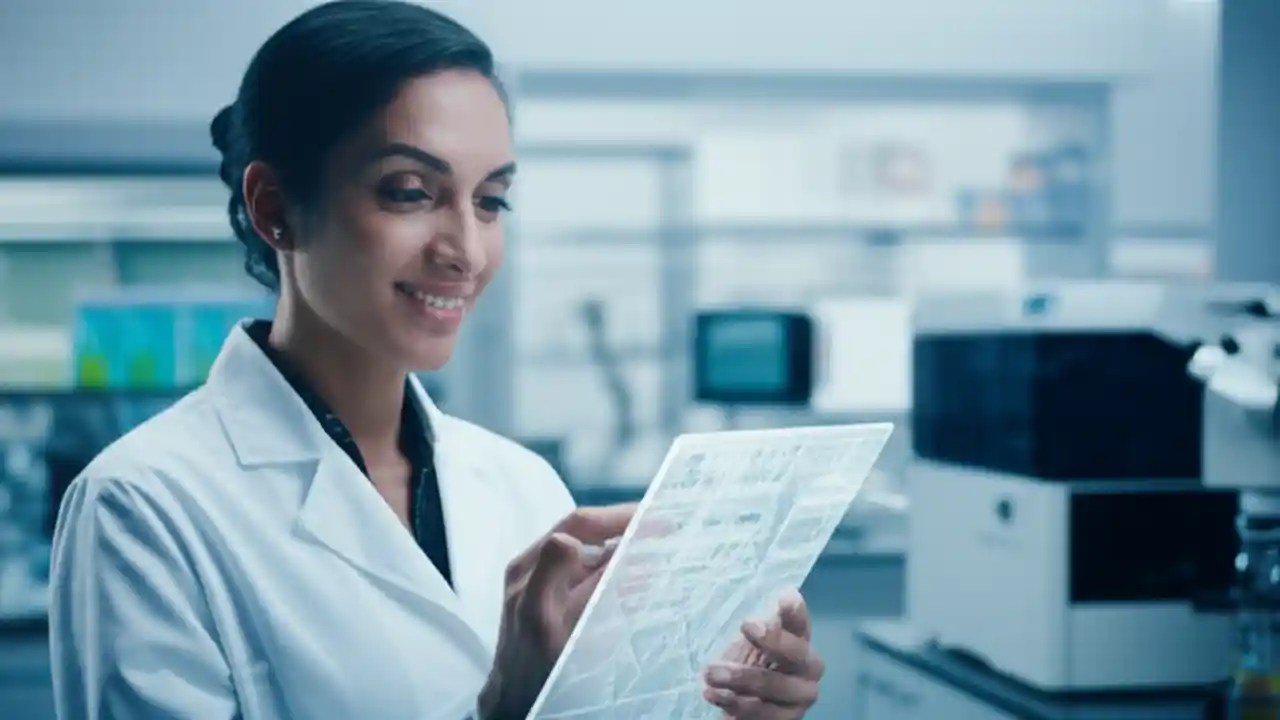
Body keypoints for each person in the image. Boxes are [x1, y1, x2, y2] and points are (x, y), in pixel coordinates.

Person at [47, 2, 826, 718]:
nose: (466, 250)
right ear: (276, 209)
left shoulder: (523, 487)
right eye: (410, 191)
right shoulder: (143, 508)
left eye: (491, 201)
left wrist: (726, 707)